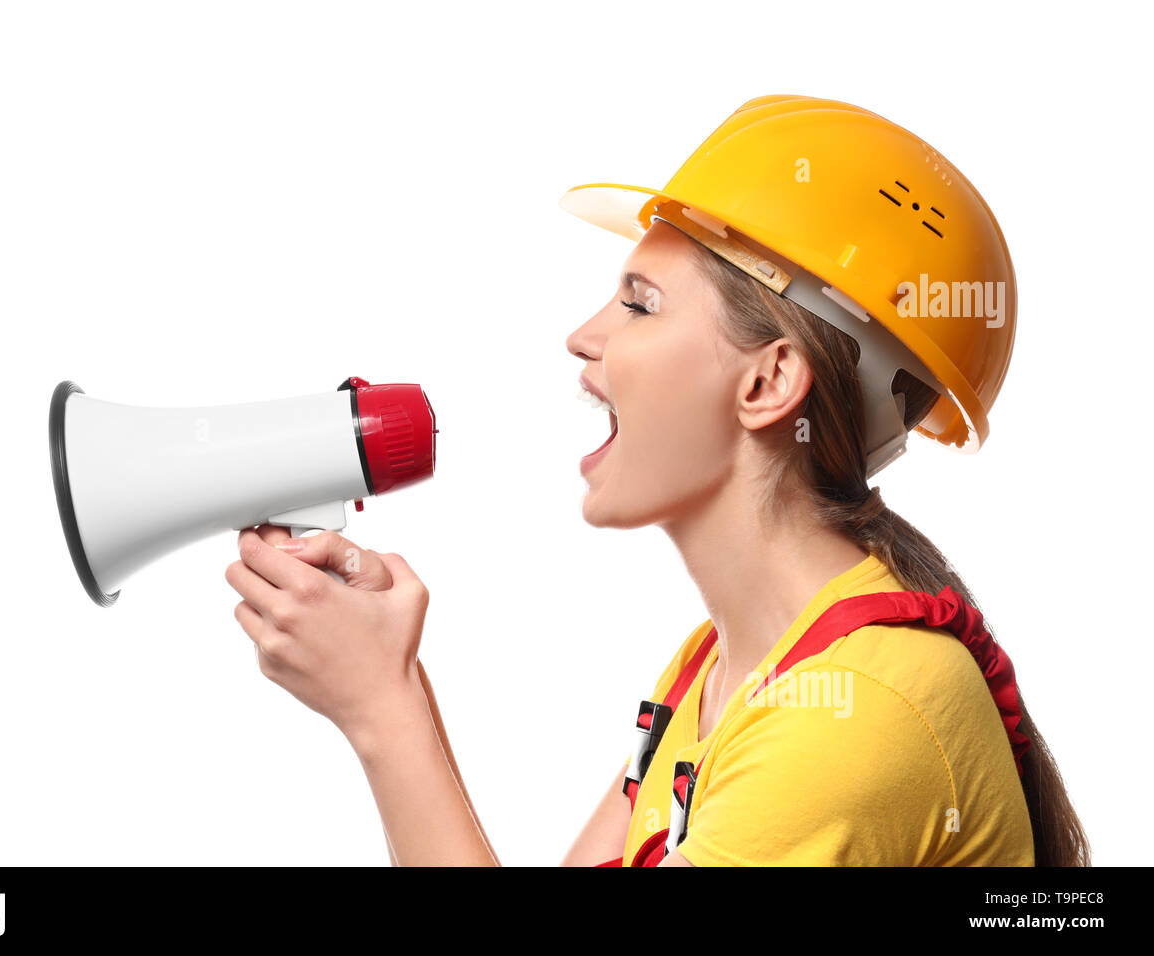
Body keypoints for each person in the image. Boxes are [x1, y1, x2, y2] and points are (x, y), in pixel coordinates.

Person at [223, 95, 1090, 866]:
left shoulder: (850, 717)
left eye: (640, 303)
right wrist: (395, 680)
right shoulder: (718, 667)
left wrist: (382, 710)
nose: (583, 336)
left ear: (767, 384)